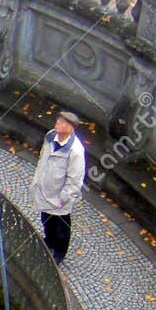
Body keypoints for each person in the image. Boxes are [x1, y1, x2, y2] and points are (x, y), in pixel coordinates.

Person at [32, 109, 87, 264]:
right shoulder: (50, 136)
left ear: (71, 128)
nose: (58, 123)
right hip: (45, 189)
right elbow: (43, 158)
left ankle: (59, 252)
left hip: (59, 196)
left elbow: (75, 179)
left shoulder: (75, 151)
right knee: (46, 219)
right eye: (58, 120)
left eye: (63, 122)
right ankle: (49, 241)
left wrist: (63, 199)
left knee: (61, 225)